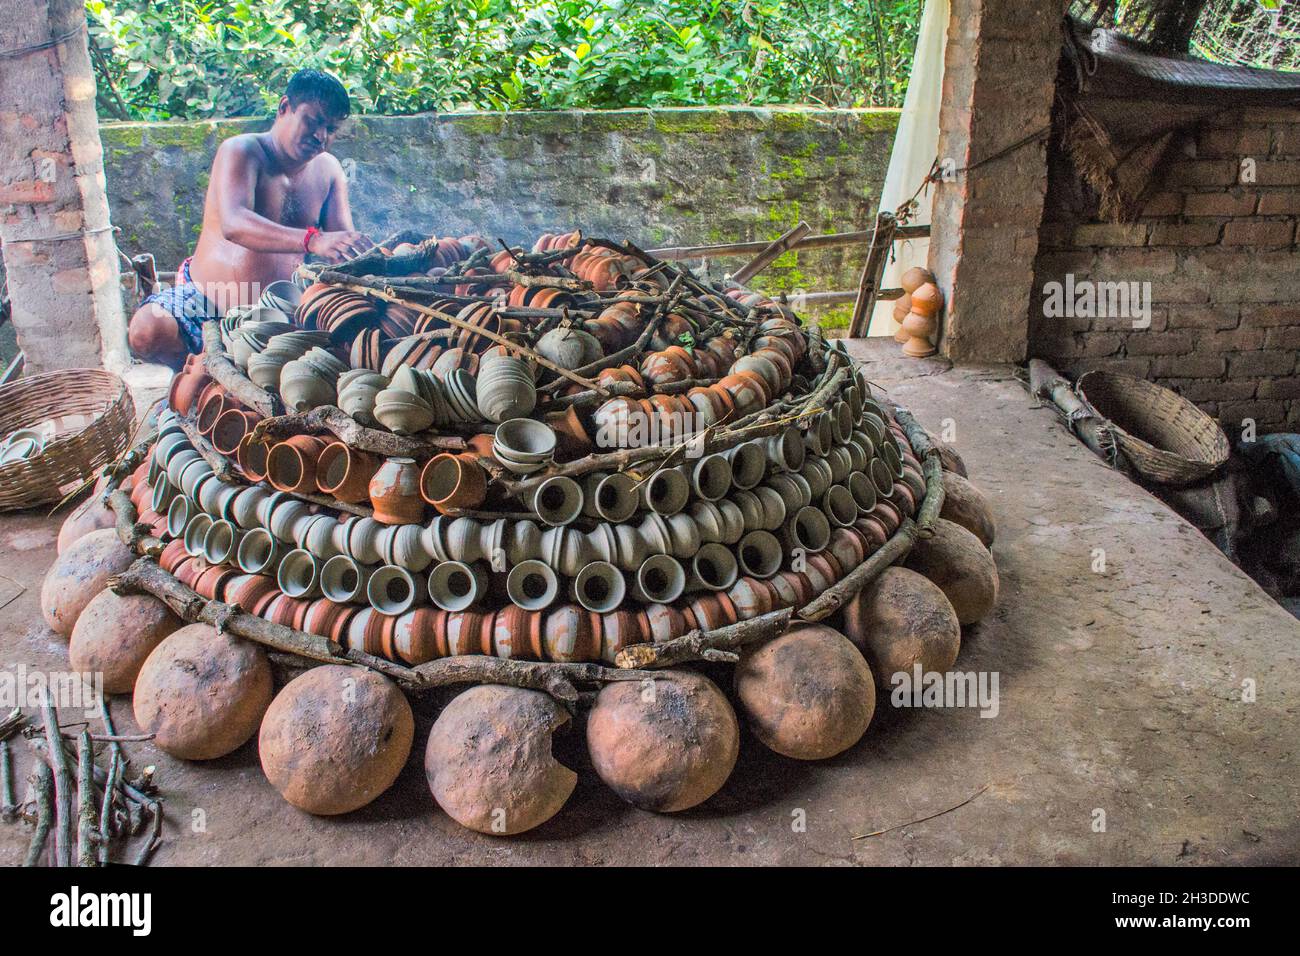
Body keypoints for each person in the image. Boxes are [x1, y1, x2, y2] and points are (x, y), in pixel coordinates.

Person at [128, 69, 375, 366]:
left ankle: (230, 377)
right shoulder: (242, 150)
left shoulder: (330, 170)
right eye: (313, 121)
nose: (321, 136)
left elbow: (344, 251)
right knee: (146, 331)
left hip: (283, 313)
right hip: (208, 302)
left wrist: (375, 265)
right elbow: (234, 223)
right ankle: (200, 372)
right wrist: (313, 240)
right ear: (284, 108)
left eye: (332, 129)